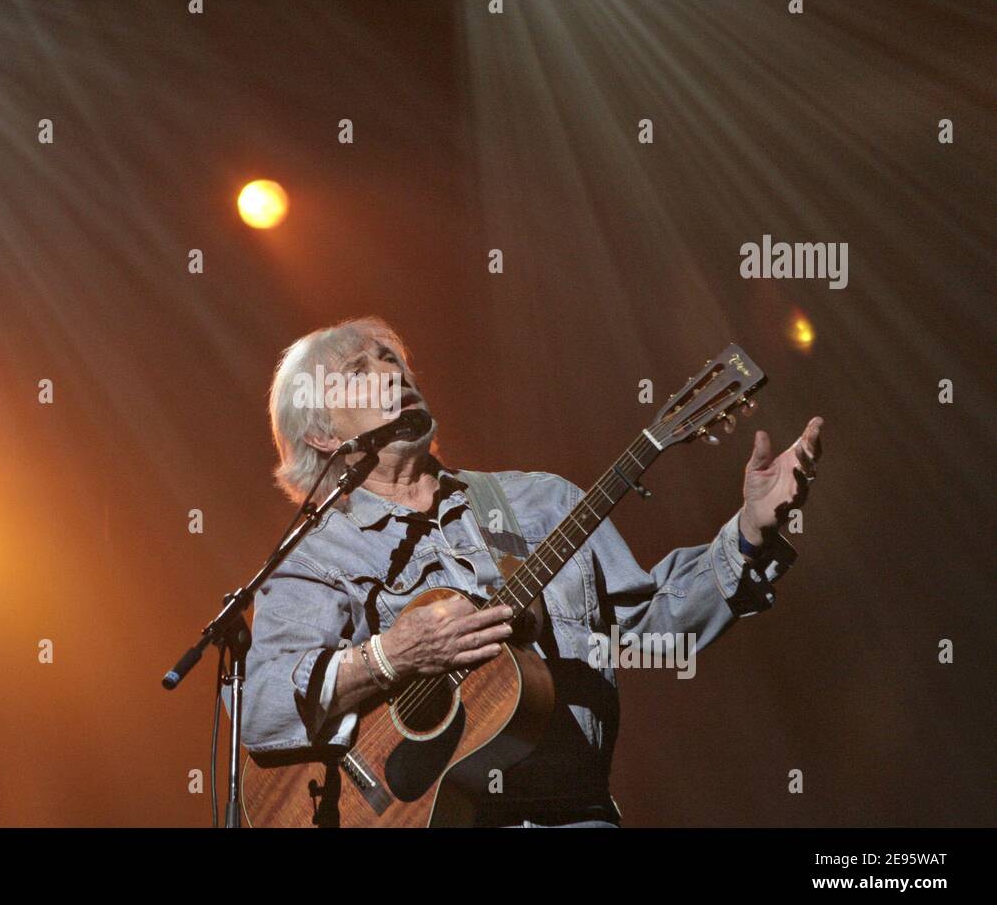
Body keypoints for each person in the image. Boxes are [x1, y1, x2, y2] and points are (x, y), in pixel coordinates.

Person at [243, 317, 823, 827]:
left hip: (574, 816)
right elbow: (263, 706)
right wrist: (389, 658)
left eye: (391, 358)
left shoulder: (539, 503)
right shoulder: (317, 556)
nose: (392, 373)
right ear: (321, 435)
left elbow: (656, 631)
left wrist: (749, 533)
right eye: (357, 370)